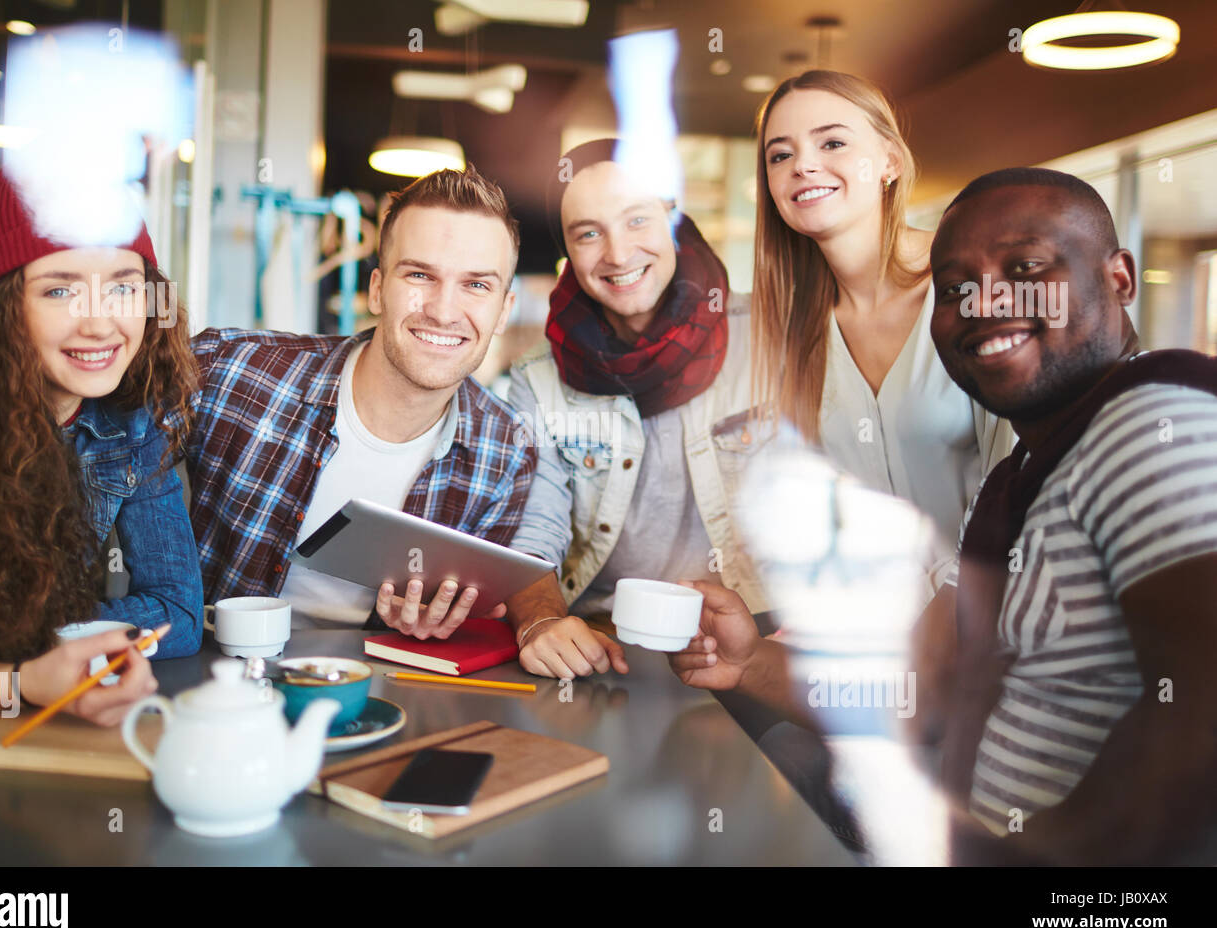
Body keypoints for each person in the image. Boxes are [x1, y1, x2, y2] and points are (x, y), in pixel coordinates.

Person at [671, 167, 1217, 864]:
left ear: (1120, 278)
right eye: (954, 288)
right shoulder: (1016, 483)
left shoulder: (1154, 421)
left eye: (1024, 268)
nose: (983, 303)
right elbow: (926, 692)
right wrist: (747, 664)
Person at [187, 166, 535, 638]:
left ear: (503, 311)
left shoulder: (507, 452)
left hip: (377, 698)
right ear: (376, 289)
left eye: (477, 285)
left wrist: (427, 628)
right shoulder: (228, 370)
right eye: (419, 275)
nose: (444, 311)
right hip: (207, 683)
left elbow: (459, 635)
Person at [0, 169, 202, 727]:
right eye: (59, 289)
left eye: (122, 285)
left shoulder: (133, 417)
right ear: (0, 307)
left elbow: (178, 612)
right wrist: (24, 675)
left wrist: (50, 651)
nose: (99, 324)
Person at [506, 139, 767, 680]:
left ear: (674, 216)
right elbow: (533, 532)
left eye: (638, 220)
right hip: (605, 650)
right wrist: (539, 622)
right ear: (568, 251)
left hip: (749, 650)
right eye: (588, 233)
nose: (619, 254)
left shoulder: (769, 339)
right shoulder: (539, 375)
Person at [752, 71, 1013, 599]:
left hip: (996, 634)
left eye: (832, 142)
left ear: (889, 162)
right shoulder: (794, 323)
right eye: (780, 155)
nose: (803, 164)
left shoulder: (974, 290)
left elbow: (1021, 489)